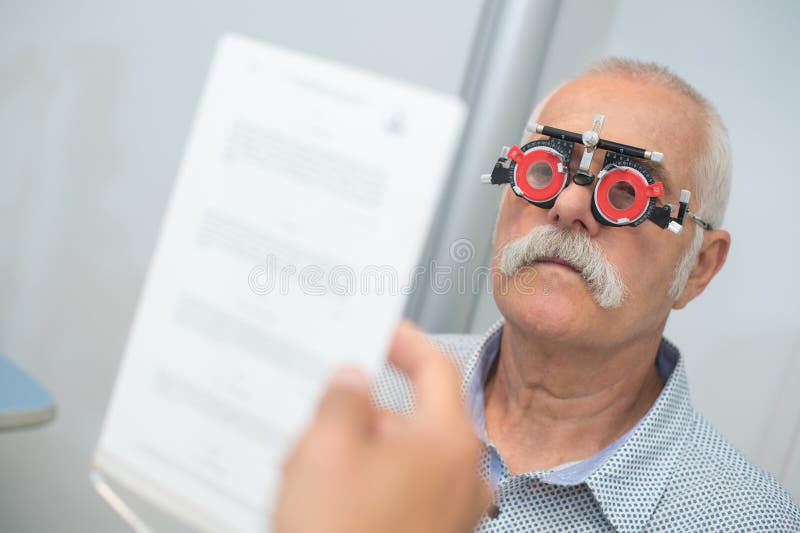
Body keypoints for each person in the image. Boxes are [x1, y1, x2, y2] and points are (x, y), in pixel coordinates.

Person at [277, 58, 800, 531]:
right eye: (545, 169)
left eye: (625, 191)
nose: (570, 204)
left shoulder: (754, 522)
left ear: (699, 268)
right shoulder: (361, 396)